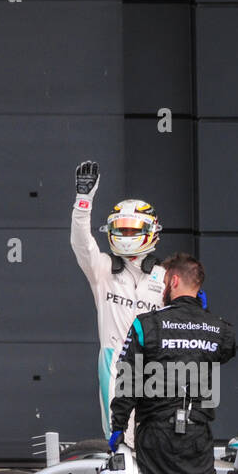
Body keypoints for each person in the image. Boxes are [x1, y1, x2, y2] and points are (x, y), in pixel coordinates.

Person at [109, 253, 236, 474]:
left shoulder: (146, 324)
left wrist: (118, 425)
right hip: (196, 435)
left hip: (155, 436)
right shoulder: (219, 328)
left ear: (174, 281)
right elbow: (226, 350)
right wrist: (202, 319)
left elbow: (127, 378)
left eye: (165, 281)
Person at [70, 160, 167, 438]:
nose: (125, 235)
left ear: (151, 230)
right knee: (120, 436)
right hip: (114, 362)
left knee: (156, 438)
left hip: (156, 364)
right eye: (120, 229)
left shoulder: (165, 276)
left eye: (131, 229)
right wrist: (83, 200)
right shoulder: (101, 269)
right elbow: (81, 243)